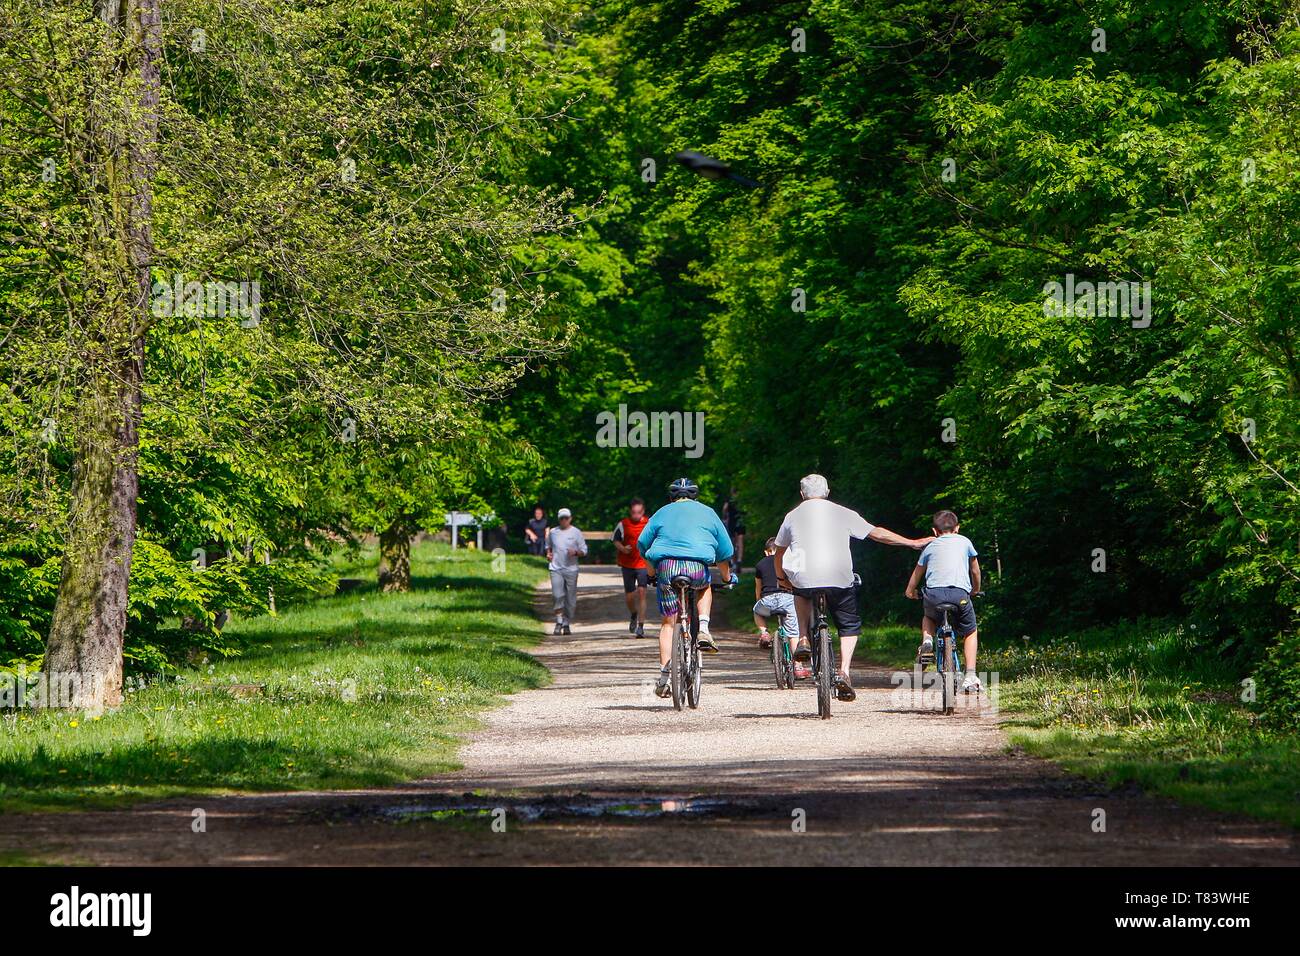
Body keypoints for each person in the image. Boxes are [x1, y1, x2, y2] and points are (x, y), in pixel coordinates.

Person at [774, 474, 931, 702]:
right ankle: (844, 671)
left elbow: (779, 550)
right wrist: (911, 542)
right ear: (827, 492)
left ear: (802, 494)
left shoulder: (792, 516)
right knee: (848, 624)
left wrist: (781, 578)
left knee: (799, 590)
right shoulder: (842, 512)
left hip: (804, 577)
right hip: (838, 577)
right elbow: (876, 533)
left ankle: (803, 638)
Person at [637, 478, 735, 698]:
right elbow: (724, 551)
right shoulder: (708, 513)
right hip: (696, 567)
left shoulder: (661, 512)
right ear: (694, 497)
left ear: (672, 497)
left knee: (668, 624)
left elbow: (642, 544)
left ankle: (664, 678)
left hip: (667, 567)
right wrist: (727, 578)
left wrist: (652, 573)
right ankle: (704, 629)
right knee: (704, 586)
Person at [905, 510, 982, 693]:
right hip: (959, 595)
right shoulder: (965, 541)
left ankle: (928, 641)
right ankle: (970, 675)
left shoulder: (930, 546)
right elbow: (976, 571)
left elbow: (917, 574)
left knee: (929, 617)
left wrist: (910, 592)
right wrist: (975, 590)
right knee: (970, 630)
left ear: (934, 530)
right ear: (957, 528)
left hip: (934, 595)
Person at [753, 536, 809, 680]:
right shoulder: (787, 562)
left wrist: (760, 602)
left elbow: (758, 590)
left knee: (756, 610)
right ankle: (798, 667)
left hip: (767, 600)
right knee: (793, 632)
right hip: (788, 599)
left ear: (767, 552)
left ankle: (764, 633)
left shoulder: (760, 564)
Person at [613, 498, 651, 637]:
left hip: (642, 564)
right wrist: (622, 548)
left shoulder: (649, 524)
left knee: (642, 592)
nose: (636, 515)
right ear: (630, 511)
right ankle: (633, 614)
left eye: (639, 512)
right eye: (634, 512)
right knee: (630, 596)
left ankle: (641, 626)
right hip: (627, 564)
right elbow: (615, 540)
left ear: (643, 511)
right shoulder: (623, 524)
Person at [546, 508, 587, 635]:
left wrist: (575, 552)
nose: (564, 520)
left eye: (566, 518)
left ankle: (566, 622)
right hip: (556, 568)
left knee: (570, 599)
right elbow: (548, 546)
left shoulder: (576, 532)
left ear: (570, 518)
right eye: (561, 518)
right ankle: (558, 621)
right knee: (557, 595)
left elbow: (584, 550)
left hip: (571, 569)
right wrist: (549, 554)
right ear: (559, 519)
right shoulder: (553, 532)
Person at [722, 490, 746, 570]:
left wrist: (724, 517)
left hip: (732, 521)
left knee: (732, 541)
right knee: (740, 541)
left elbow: (725, 508)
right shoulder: (743, 499)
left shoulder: (730, 499)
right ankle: (739, 560)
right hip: (741, 521)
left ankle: (732, 561)